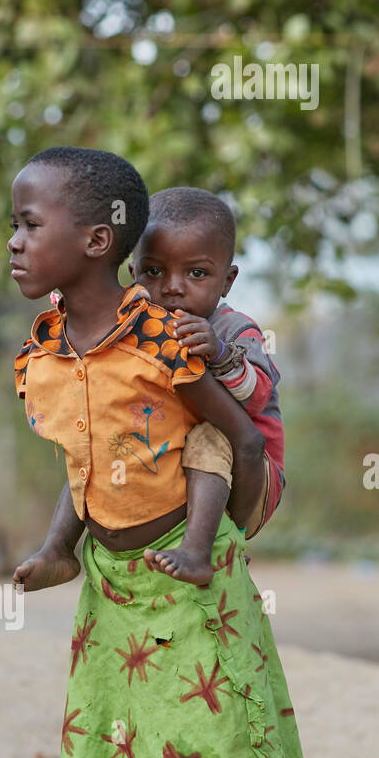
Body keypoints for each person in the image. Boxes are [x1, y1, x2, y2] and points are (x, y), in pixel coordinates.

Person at [9, 146, 311, 758]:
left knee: (198, 743)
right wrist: (54, 551)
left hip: (194, 560)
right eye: (16, 225)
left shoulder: (185, 338)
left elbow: (244, 432)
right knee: (135, 745)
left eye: (31, 225)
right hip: (112, 577)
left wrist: (215, 541)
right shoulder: (54, 345)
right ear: (133, 259)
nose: (15, 241)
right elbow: (88, 458)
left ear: (96, 240)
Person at [128, 186, 285, 584]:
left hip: (252, 472)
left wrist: (217, 352)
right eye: (154, 271)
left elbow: (256, 395)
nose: (173, 287)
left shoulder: (234, 329)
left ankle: (202, 551)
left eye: (197, 273)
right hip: (188, 464)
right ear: (132, 274)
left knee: (207, 437)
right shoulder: (140, 326)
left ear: (227, 281)